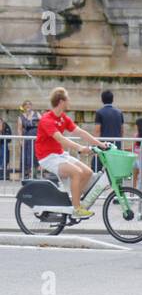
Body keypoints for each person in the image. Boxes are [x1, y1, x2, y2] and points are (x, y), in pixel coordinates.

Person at [35, 86, 108, 218]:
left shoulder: (63, 118)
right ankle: (76, 209)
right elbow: (61, 139)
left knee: (87, 172)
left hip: (59, 154)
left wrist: (101, 144)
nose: (70, 102)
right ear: (61, 101)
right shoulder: (47, 120)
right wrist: (80, 148)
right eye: (68, 99)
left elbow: (80, 132)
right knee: (77, 173)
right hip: (47, 157)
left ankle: (71, 201)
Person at [20, 100, 39, 176]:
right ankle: (27, 172)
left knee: (35, 154)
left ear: (31, 106)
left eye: (29, 104)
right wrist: (21, 140)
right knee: (26, 155)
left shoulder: (37, 114)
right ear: (23, 106)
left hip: (36, 137)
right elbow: (19, 129)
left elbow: (42, 123)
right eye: (26, 104)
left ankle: (35, 172)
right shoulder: (21, 116)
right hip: (26, 138)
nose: (28, 106)